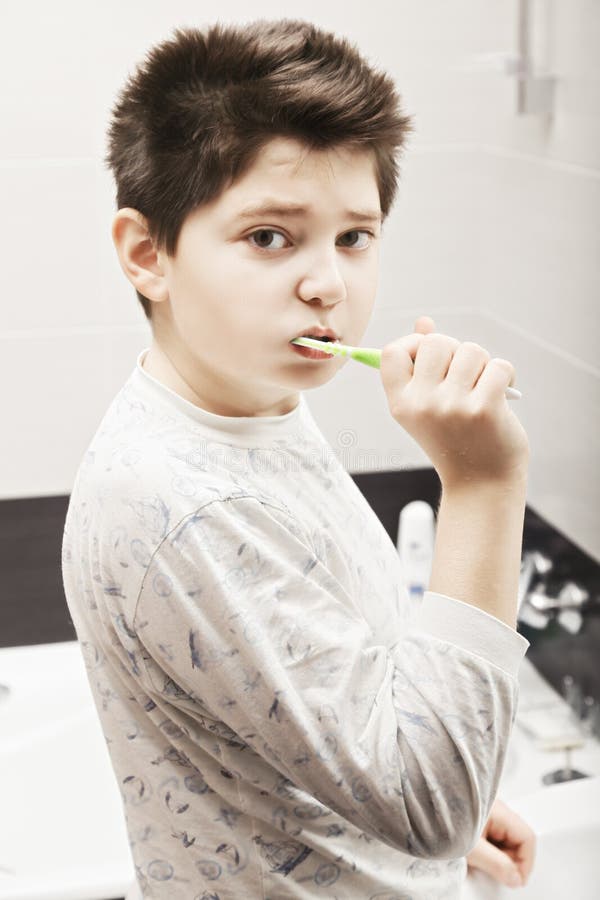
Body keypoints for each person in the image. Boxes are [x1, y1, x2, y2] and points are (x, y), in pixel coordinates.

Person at [61, 18, 535, 899]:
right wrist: (483, 483)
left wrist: (444, 828)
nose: (329, 285)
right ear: (148, 253)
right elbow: (430, 803)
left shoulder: (253, 402)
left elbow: (306, 705)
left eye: (354, 237)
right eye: (270, 238)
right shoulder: (189, 506)